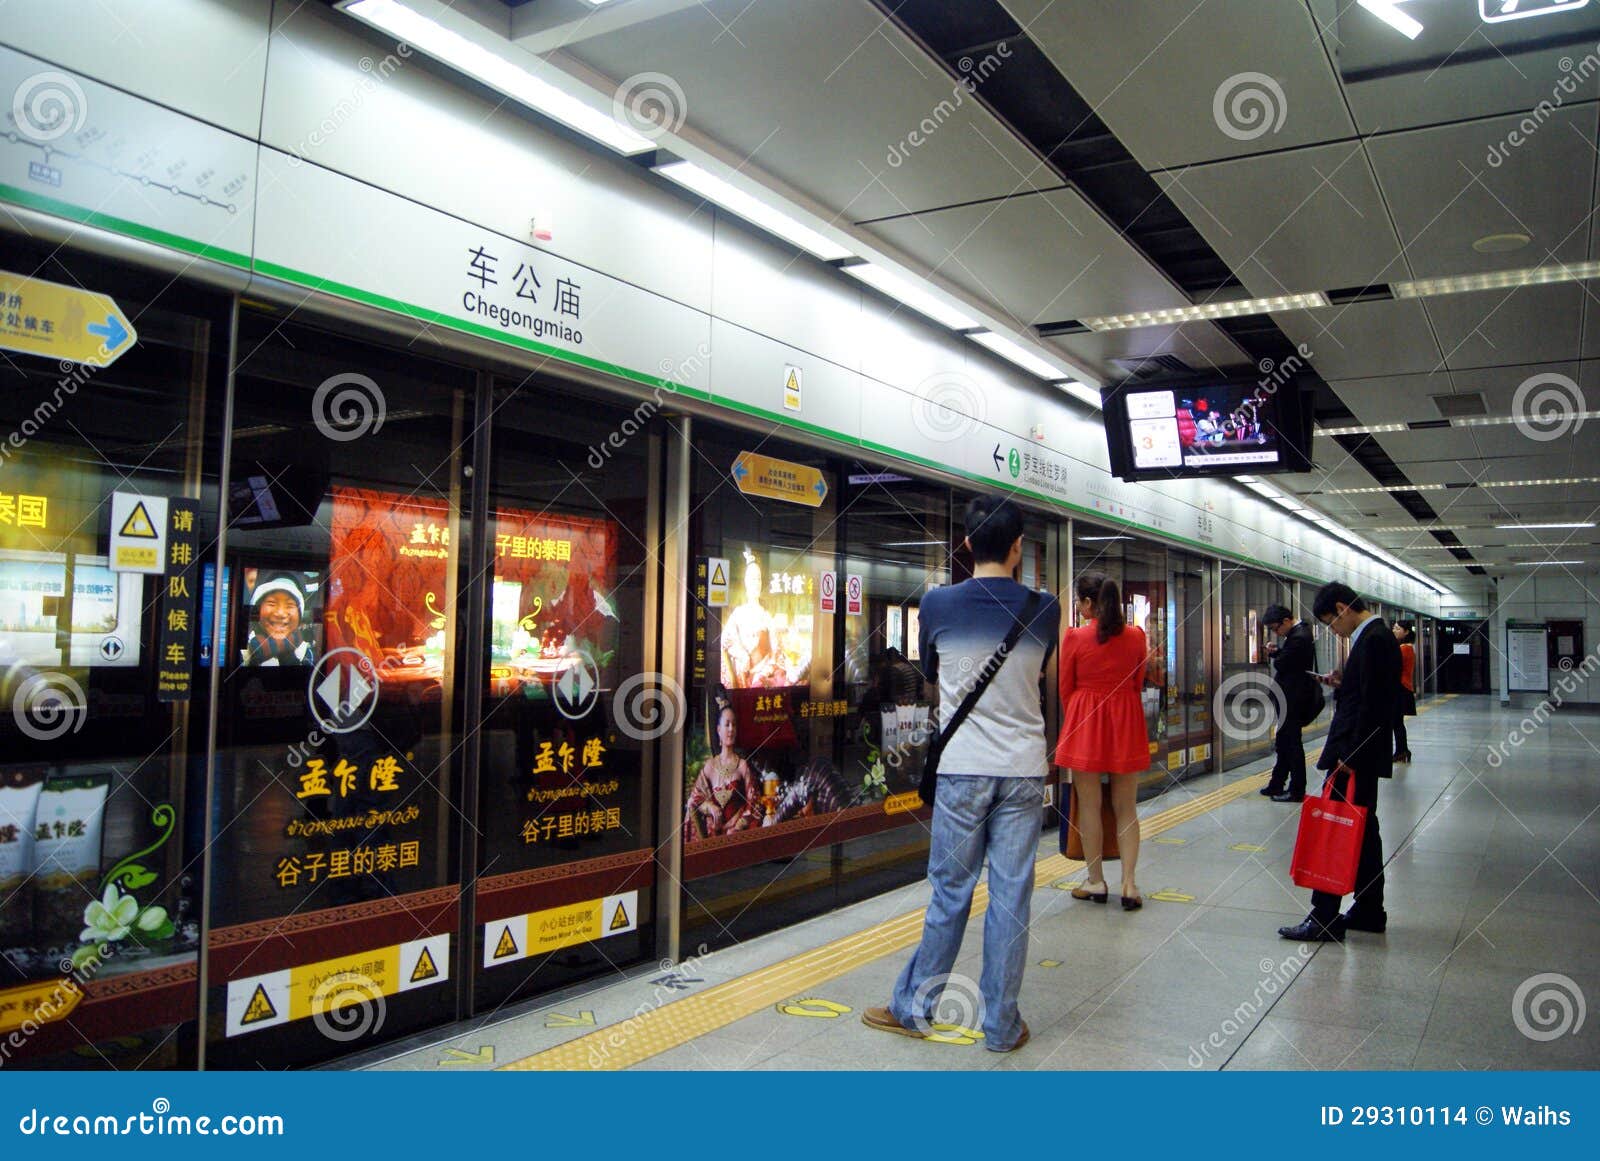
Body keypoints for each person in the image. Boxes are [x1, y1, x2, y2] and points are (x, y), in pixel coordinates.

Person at [863, 496, 1059, 1053]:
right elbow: (1041, 679)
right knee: (1011, 898)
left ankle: (915, 1008)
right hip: (1023, 771)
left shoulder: (938, 605)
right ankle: (1000, 1025)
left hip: (961, 771)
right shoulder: (1044, 610)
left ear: (967, 544)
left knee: (951, 892)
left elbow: (929, 673)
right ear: (1019, 548)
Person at [1279, 582, 1400, 943]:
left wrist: (1352, 754)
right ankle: (1369, 908)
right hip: (1359, 751)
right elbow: (1366, 691)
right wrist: (1342, 682)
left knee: (1336, 828)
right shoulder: (1374, 636)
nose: (1335, 630)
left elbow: (1375, 705)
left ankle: (1324, 916)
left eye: (1332, 622)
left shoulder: (1374, 638)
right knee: (1363, 830)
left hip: (1355, 754)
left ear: (1344, 607)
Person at [1055, 572, 1149, 910]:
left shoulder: (1075, 638)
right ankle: (1129, 883)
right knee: (1127, 807)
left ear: (1089, 603)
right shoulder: (1137, 636)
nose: (1079, 608)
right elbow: (1138, 683)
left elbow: (1066, 687)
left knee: (1090, 805)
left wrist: (1080, 714)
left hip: (1085, 721)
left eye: (1080, 601)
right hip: (1126, 719)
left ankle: (1095, 881)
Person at [1260, 603, 1317, 802]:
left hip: (1293, 698)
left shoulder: (1299, 637)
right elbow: (1288, 658)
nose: (1276, 632)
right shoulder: (1298, 634)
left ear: (1286, 621)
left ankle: (1296, 790)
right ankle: (1277, 783)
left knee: (1291, 743)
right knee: (1284, 741)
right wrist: (1278, 652)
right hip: (1290, 697)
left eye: (1276, 628)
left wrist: (1277, 656)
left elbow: (1284, 663)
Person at [683, 703, 762, 840]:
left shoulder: (742, 766)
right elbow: (694, 800)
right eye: (727, 725)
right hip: (713, 835)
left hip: (737, 836)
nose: (731, 729)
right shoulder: (710, 765)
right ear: (719, 730)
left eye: (734, 725)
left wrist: (737, 826)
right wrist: (710, 807)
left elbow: (755, 803)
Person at [242, 572, 314, 666]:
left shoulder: (306, 654)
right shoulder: (243, 651)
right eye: (271, 603)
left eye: (290, 605)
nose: (280, 613)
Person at [1392, 621, 1416, 764]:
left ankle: (1401, 751)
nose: (1394, 631)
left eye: (1397, 628)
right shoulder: (1408, 647)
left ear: (1406, 632)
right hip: (1403, 687)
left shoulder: (1403, 648)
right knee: (1397, 722)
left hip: (1400, 688)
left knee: (1396, 722)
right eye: (1394, 628)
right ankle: (1402, 750)